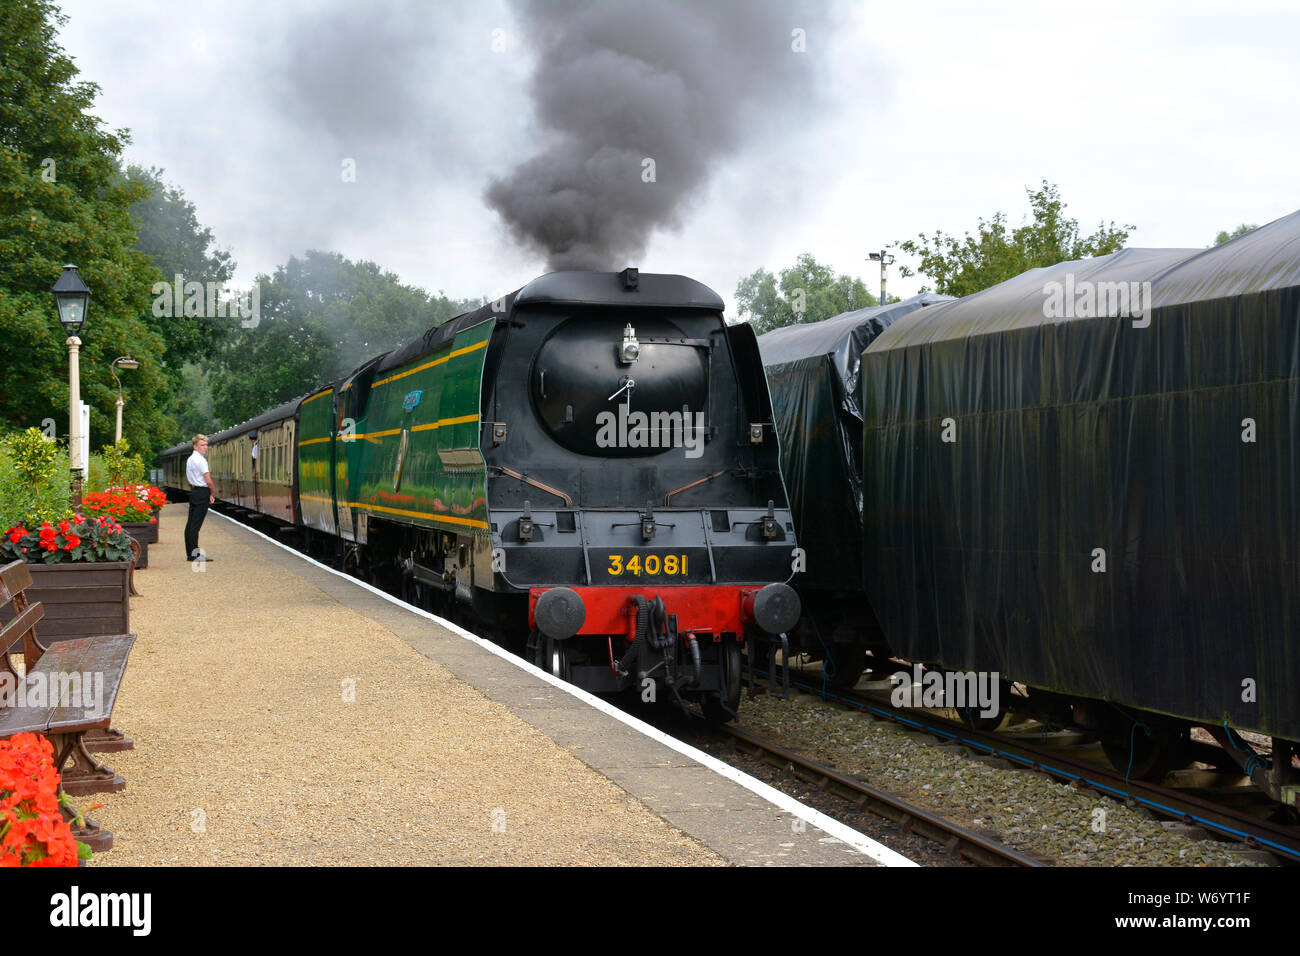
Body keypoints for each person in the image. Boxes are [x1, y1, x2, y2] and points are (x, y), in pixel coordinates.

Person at [185, 434, 216, 562]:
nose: (205, 448)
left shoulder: (190, 459)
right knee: (195, 526)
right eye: (202, 445)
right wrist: (211, 493)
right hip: (202, 491)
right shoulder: (201, 460)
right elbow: (208, 481)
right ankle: (194, 554)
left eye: (206, 445)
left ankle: (190, 553)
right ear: (195, 446)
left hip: (194, 491)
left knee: (190, 524)